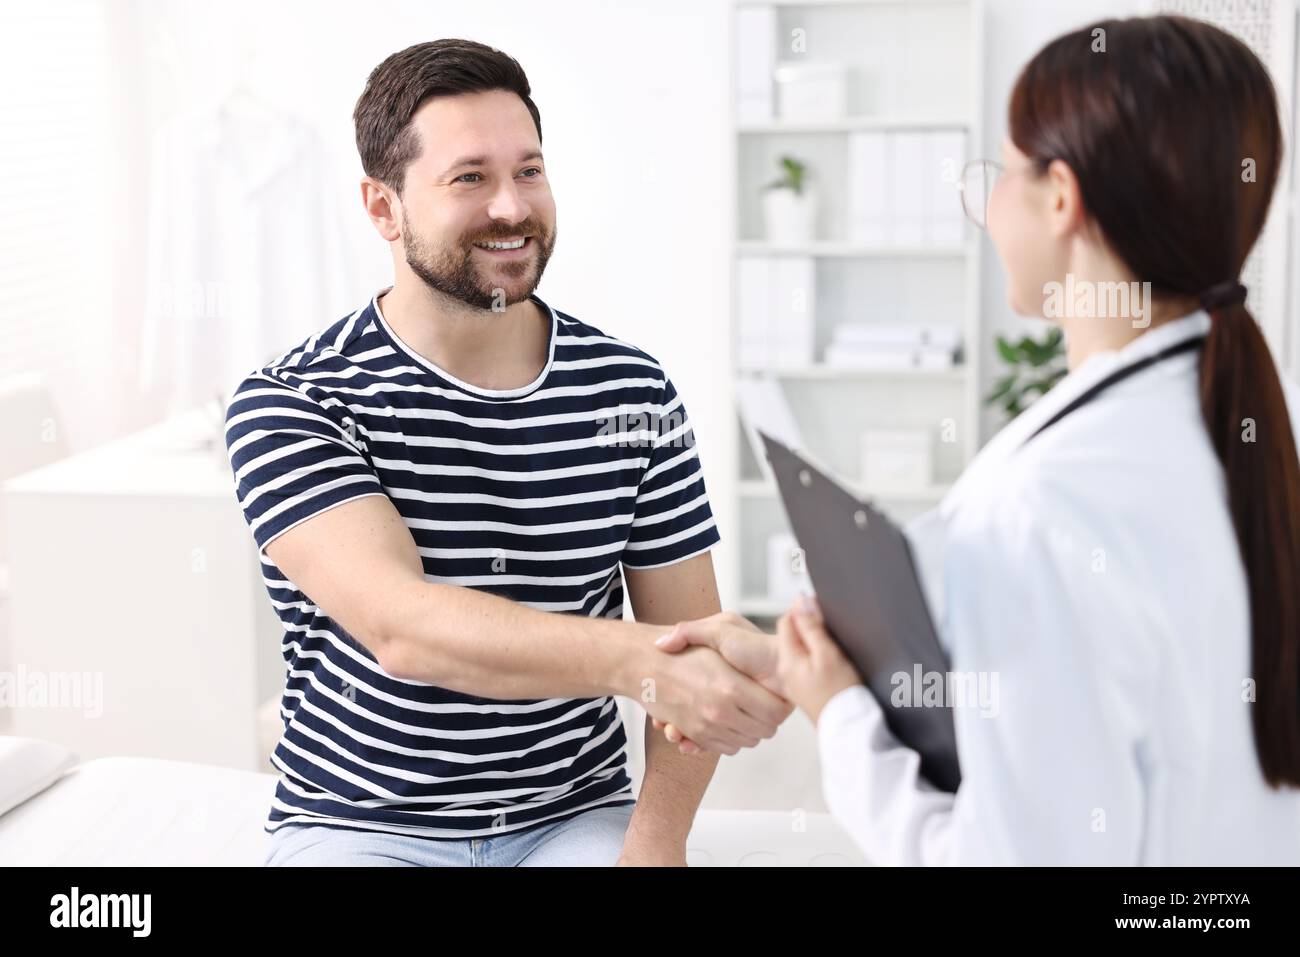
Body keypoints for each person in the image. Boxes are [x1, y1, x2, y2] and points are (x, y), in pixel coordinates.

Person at [655, 15, 1300, 865]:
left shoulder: (1045, 504)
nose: (985, 202)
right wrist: (790, 660)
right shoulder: (1217, 424)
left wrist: (841, 715)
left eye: (999, 172)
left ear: (1062, 199)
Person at [224, 39, 788, 867]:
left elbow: (686, 642)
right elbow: (405, 627)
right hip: (358, 823)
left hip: (572, 816)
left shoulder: (632, 393)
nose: (511, 207)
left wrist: (654, 845)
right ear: (384, 208)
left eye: (529, 171)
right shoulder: (295, 400)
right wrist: (645, 666)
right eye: (470, 178)